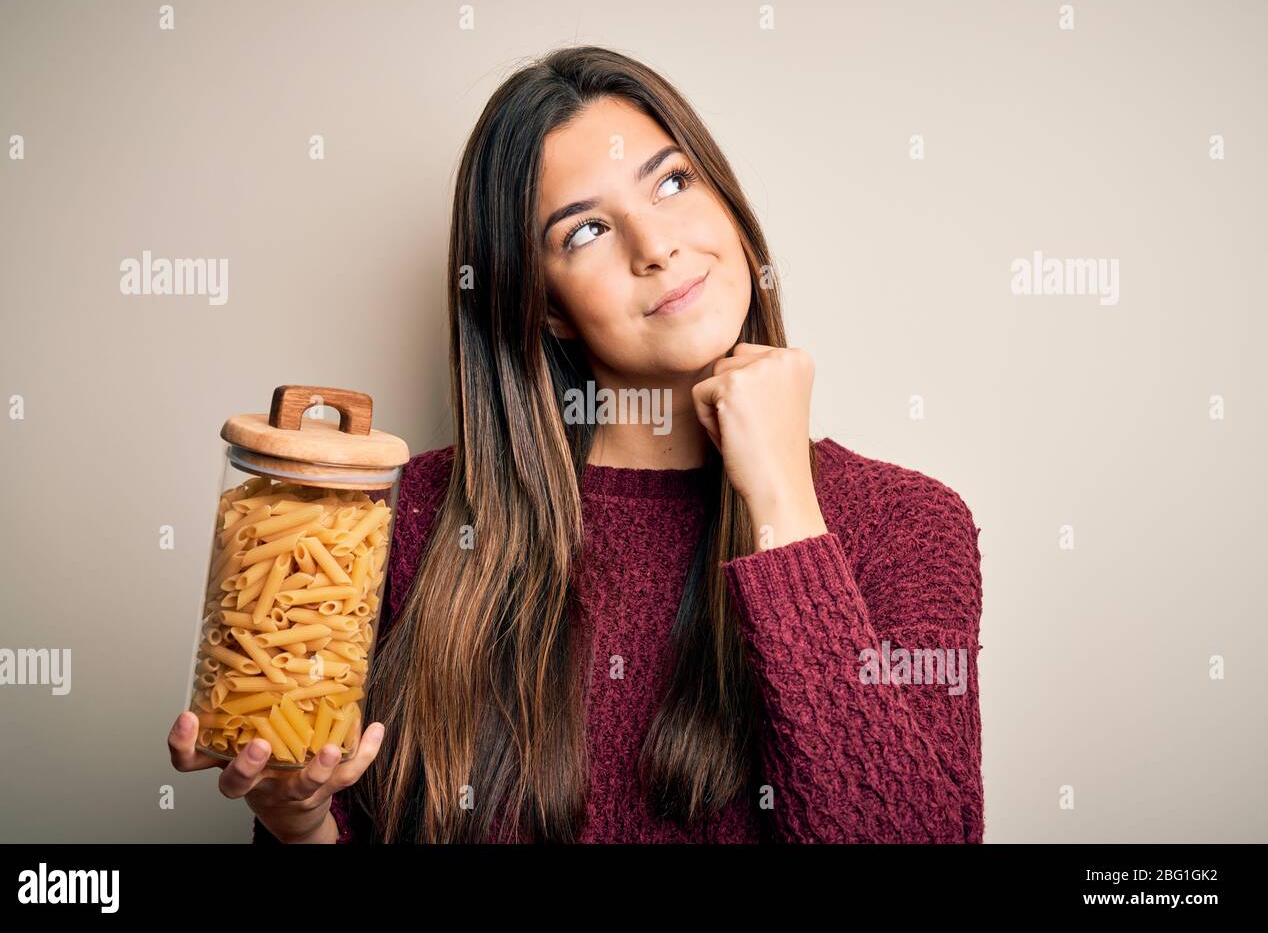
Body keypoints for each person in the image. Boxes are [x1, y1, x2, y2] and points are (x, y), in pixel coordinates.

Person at [168, 44, 985, 844]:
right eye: (586, 230)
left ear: (728, 203)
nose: (655, 247)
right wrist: (297, 822)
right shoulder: (416, 516)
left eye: (672, 182)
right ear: (547, 307)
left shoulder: (907, 523)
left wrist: (782, 503)